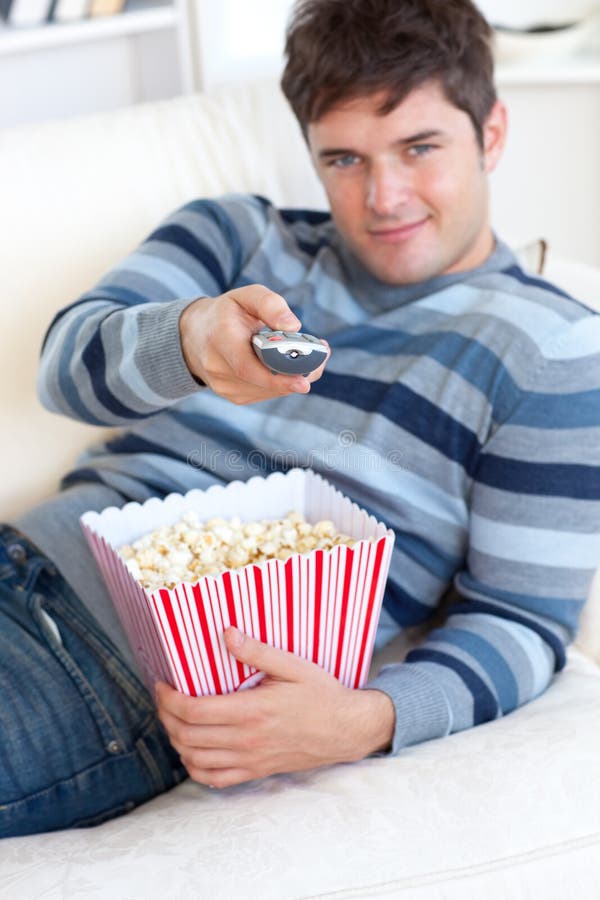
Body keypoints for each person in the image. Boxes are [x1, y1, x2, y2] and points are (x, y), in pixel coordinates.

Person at [2, 0, 599, 838]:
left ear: (491, 133)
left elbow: (524, 620)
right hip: (24, 549)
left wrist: (368, 718)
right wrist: (193, 339)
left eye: (419, 149)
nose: (384, 196)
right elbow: (63, 370)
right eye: (344, 158)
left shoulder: (557, 349)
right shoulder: (237, 235)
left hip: (116, 668)